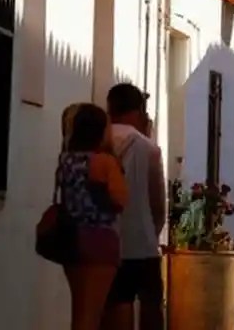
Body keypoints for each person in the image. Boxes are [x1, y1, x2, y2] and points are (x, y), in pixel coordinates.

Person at [102, 84, 167, 330]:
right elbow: (157, 202)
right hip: (142, 243)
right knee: (151, 306)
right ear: (139, 110)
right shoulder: (148, 148)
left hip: (107, 242)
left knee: (116, 305)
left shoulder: (99, 141)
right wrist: (153, 230)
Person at [59, 103, 127, 330]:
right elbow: (120, 200)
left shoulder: (66, 160)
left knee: (79, 310)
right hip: (100, 239)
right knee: (92, 313)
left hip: (70, 238)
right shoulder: (104, 162)